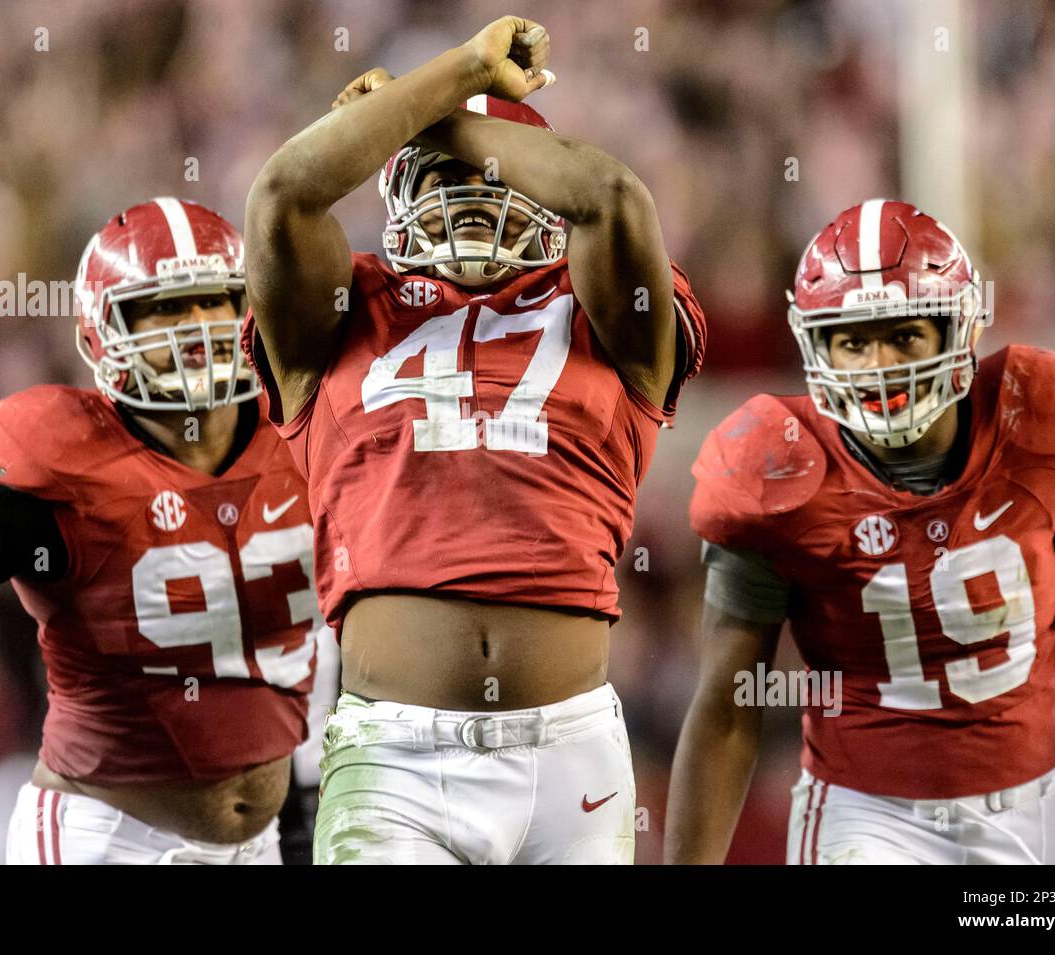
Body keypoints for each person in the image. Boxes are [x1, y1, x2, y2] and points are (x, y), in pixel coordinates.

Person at [241, 17, 706, 863]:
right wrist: (463, 70)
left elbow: (614, 197)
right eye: (444, 179)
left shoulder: (598, 311)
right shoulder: (348, 309)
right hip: (393, 756)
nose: (468, 198)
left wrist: (436, 116)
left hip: (571, 755)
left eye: (487, 176)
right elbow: (283, 196)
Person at [0, 198, 324, 864]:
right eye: (161, 307)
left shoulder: (304, 432)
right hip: (106, 838)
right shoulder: (57, 449)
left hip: (266, 840)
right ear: (102, 333)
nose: (195, 326)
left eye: (214, 299)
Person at [667, 198, 1055, 864]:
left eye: (903, 334)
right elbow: (726, 706)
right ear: (816, 343)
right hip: (873, 818)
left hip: (1039, 803)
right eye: (854, 340)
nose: (878, 362)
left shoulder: (1039, 417)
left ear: (956, 331)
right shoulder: (775, 467)